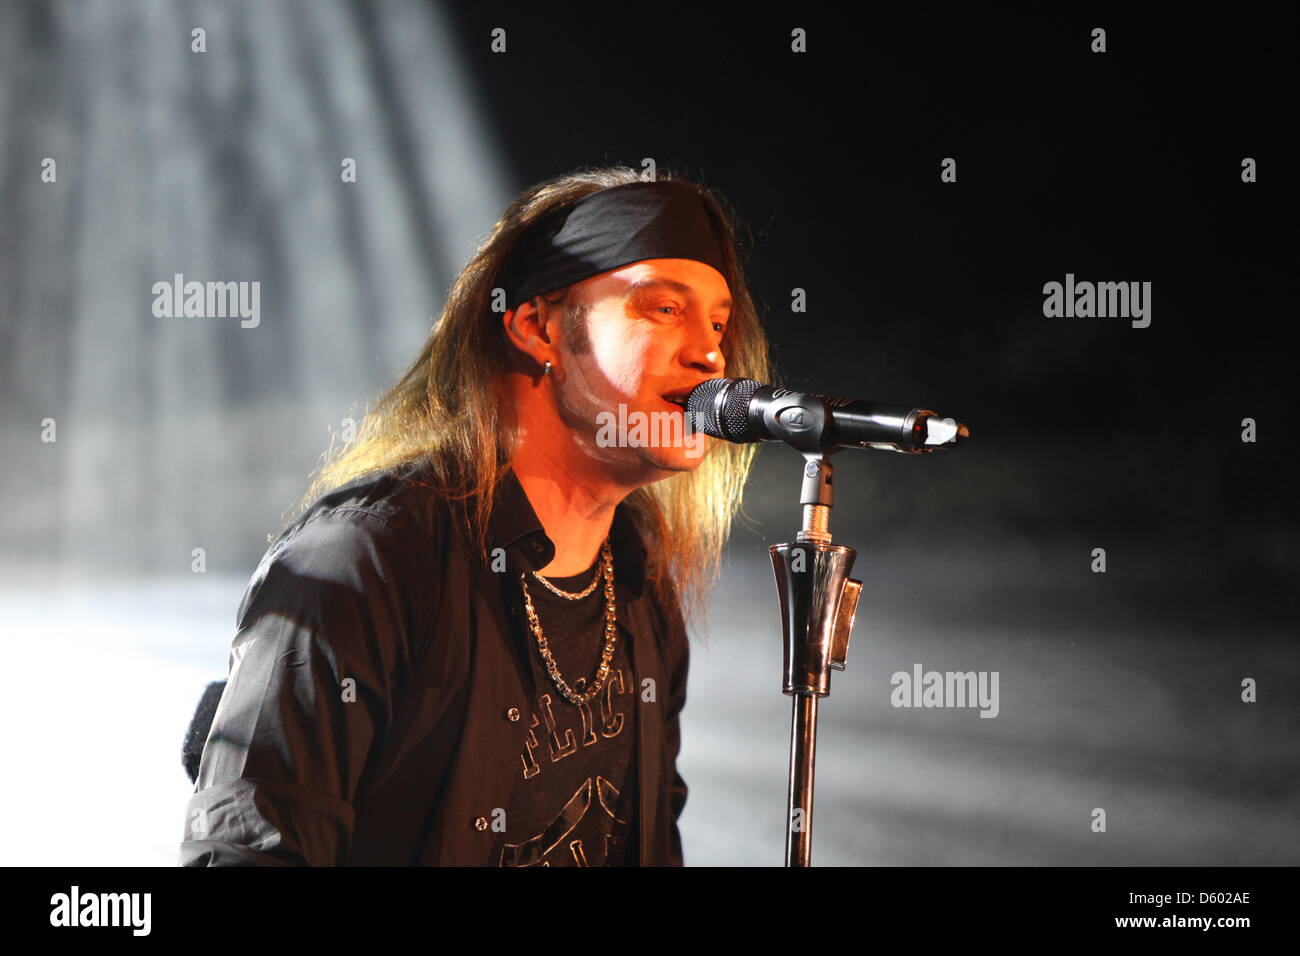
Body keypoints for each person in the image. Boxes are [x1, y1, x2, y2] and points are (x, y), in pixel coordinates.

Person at [178, 166, 772, 866]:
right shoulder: (365, 558)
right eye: (661, 308)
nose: (710, 352)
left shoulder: (640, 578)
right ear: (536, 326)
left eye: (718, 322)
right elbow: (249, 850)